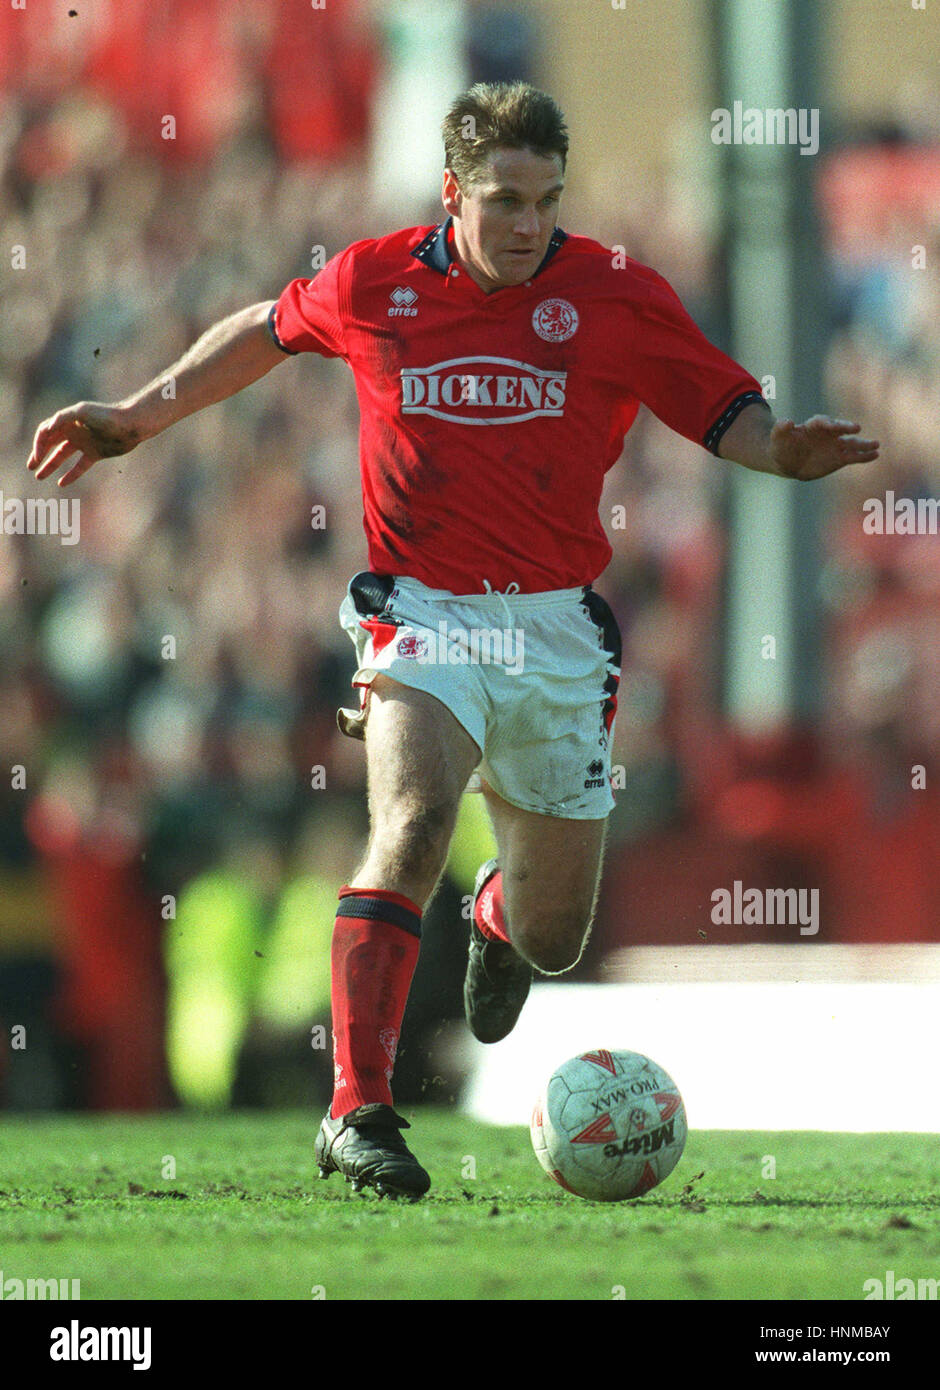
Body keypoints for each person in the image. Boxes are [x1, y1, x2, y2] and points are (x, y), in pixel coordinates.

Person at [27, 82, 880, 1199]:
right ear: (451, 193)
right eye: (504, 200)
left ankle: (496, 914)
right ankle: (357, 1110)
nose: (528, 224)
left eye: (545, 200)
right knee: (412, 818)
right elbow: (266, 332)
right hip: (419, 611)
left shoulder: (615, 294)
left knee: (556, 931)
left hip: (558, 630)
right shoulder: (375, 279)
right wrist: (139, 414)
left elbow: (728, 413)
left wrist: (786, 452)